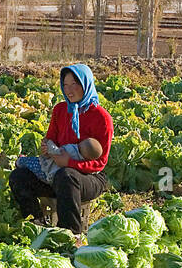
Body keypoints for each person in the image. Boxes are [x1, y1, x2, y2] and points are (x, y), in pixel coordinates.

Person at [9, 63, 112, 237]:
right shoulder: (60, 110)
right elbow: (51, 139)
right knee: (18, 176)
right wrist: (46, 146)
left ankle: (69, 234)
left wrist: (69, 163)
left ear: (86, 84)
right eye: (65, 85)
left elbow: (100, 163)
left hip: (89, 178)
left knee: (67, 176)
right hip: (56, 173)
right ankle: (37, 224)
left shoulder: (101, 117)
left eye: (75, 84)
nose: (69, 90)